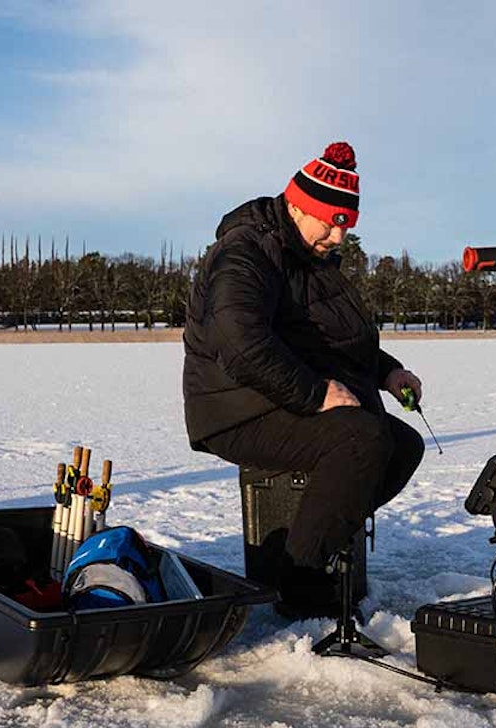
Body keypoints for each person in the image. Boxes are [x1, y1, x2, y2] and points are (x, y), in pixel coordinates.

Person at [182, 141, 426, 616]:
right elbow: (240, 344)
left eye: (346, 227)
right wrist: (316, 394)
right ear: (299, 205)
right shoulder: (245, 254)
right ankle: (301, 586)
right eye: (332, 224)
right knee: (361, 440)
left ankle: (319, 542)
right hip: (235, 407)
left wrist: (387, 371)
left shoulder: (306, 258)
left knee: (402, 445)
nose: (339, 239)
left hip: (275, 397)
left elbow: (329, 340)